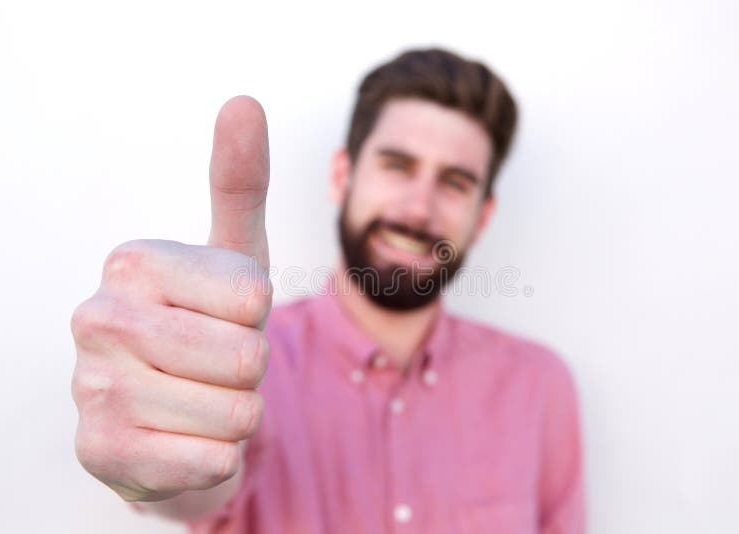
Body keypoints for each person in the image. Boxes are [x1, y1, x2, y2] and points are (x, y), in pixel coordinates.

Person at [71, 48, 586, 533]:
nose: (418, 208)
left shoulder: (540, 387)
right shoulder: (235, 358)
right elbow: (197, 489)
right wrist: (154, 457)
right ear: (343, 176)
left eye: (455, 182)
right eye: (397, 165)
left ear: (482, 217)